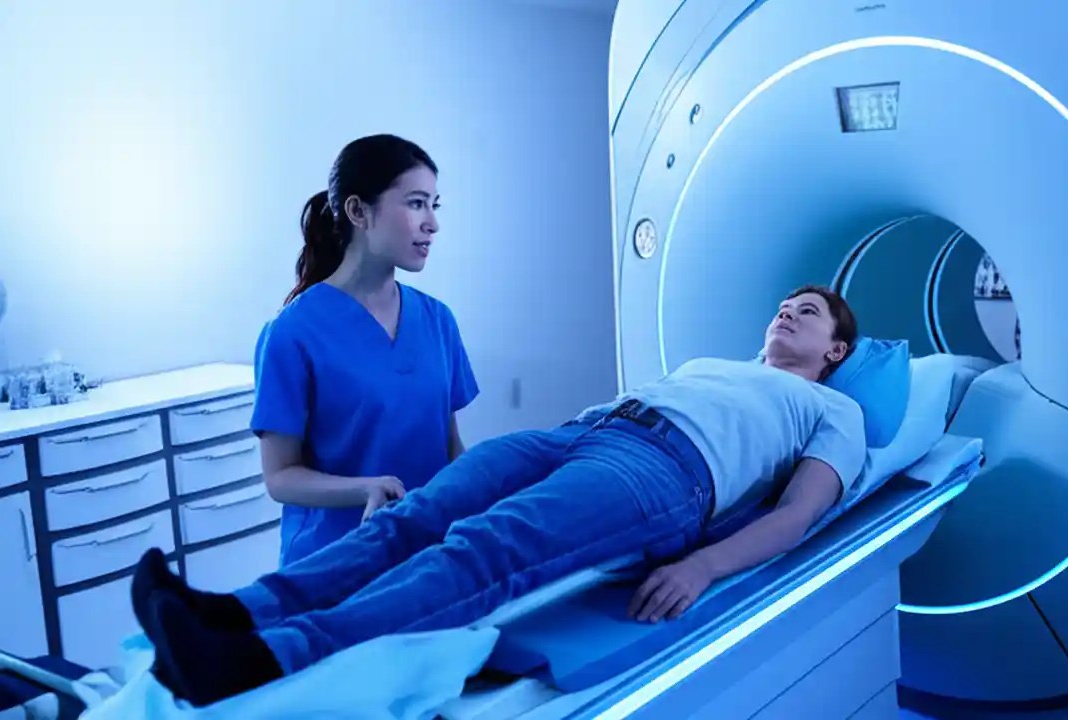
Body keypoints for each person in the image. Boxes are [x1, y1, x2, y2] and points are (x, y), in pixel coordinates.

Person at [129, 285, 867, 707]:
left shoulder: (835, 411)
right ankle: (233, 611)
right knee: (413, 517)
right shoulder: (714, 363)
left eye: (808, 311)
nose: (786, 312)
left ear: (835, 350)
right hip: (585, 430)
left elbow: (798, 514)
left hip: (664, 473)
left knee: (483, 548)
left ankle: (262, 659)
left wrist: (704, 567)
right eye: (783, 305)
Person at [250, 134, 479, 566]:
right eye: (415, 203)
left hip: (424, 554)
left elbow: (449, 449)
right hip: (330, 564)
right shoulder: (293, 333)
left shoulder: (436, 321)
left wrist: (484, 494)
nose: (432, 223)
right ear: (358, 211)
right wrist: (364, 488)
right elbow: (280, 477)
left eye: (434, 205)